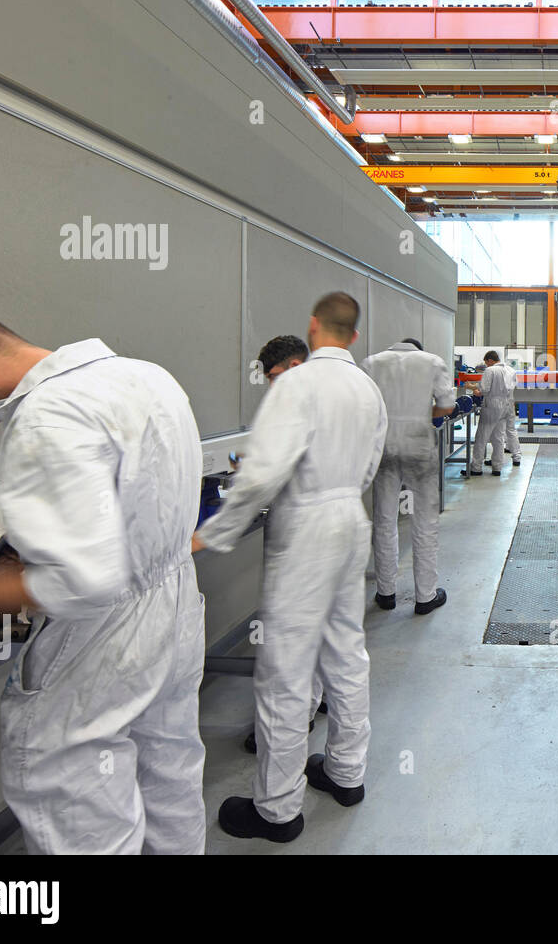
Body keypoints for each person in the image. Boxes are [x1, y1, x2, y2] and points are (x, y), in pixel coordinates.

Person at [0, 312, 206, 854]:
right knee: (169, 773)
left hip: (104, 637)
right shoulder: (146, 376)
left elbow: (84, 582)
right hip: (176, 609)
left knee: (76, 803)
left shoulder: (46, 418)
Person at [194, 293, 387, 843]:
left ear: (312, 326)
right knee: (346, 649)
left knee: (285, 667)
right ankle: (347, 773)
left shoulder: (298, 385)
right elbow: (370, 462)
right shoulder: (366, 388)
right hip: (351, 517)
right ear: (352, 333)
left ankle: (277, 809)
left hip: (305, 527)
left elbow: (257, 476)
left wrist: (212, 533)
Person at [238, 334, 326, 756]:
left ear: (293, 367)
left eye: (273, 377)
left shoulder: (296, 403)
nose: (271, 386)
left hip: (301, 533)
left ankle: (292, 724)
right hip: (328, 531)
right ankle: (314, 700)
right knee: (318, 624)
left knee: (290, 634)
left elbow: (276, 471)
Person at [362, 336, 456, 616]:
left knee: (384, 519)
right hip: (418, 446)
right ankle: (425, 596)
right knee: (425, 521)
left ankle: (385, 592)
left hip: (384, 447)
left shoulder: (371, 363)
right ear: (419, 349)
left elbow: (364, 408)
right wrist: (421, 416)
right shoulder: (432, 362)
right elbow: (447, 405)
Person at [470, 350, 519, 475]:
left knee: (482, 437)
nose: (486, 365)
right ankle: (497, 468)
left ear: (490, 360)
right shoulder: (509, 370)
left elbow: (484, 389)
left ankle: (476, 468)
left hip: (492, 405)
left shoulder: (490, 370)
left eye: (486, 363)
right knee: (498, 437)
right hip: (506, 405)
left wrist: (473, 389)